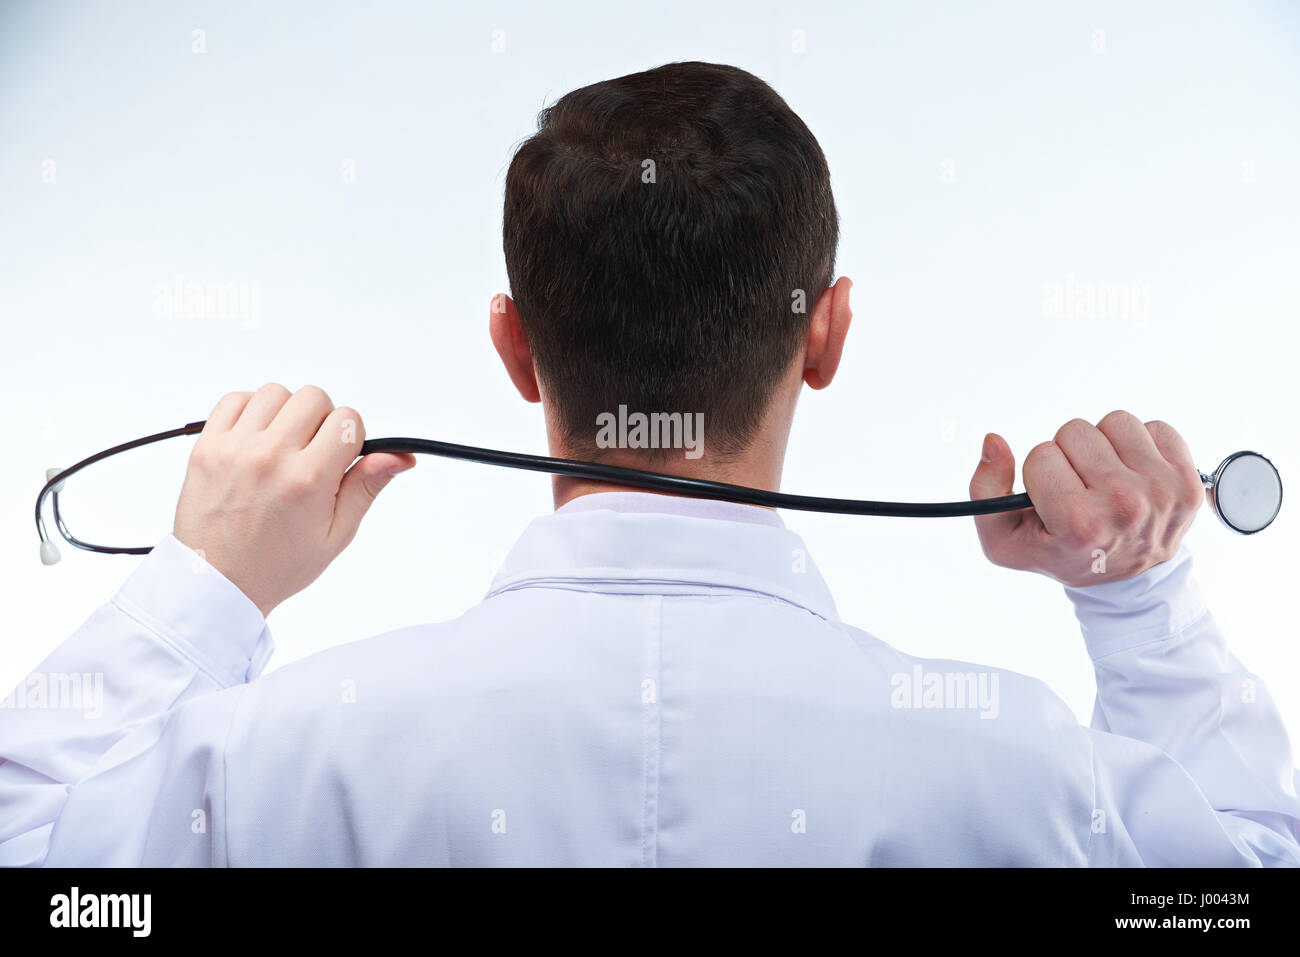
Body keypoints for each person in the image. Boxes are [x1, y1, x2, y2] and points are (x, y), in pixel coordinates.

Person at [2, 61, 1297, 867]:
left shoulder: (272, 763)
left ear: (514, 345)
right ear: (829, 330)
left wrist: (206, 587)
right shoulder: (1037, 779)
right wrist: (1140, 602)